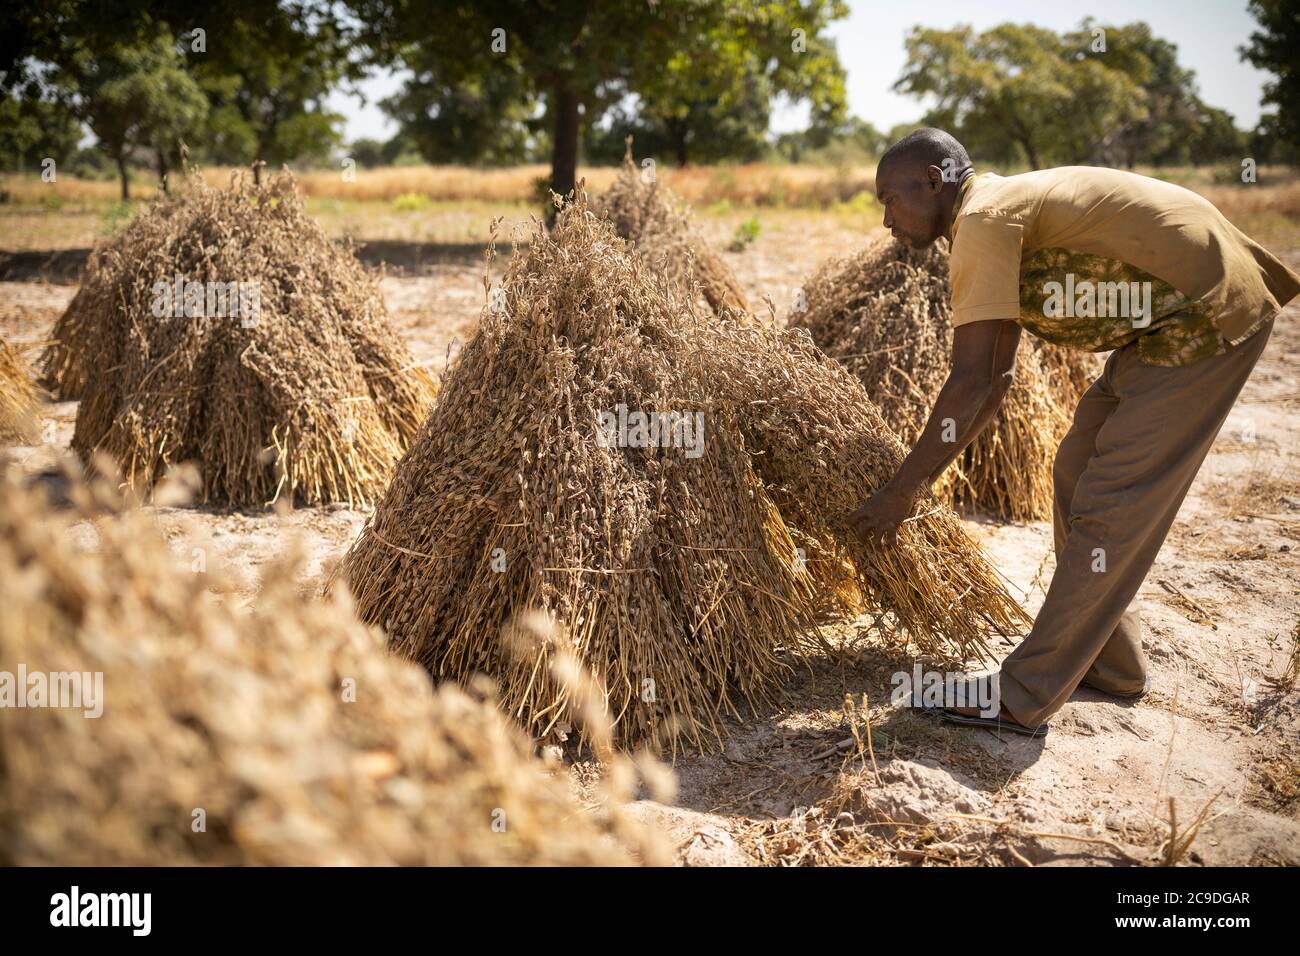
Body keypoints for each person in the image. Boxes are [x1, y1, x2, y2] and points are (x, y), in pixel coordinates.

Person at [849, 128, 1299, 736]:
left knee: (1112, 501)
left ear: (934, 180)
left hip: (1201, 315)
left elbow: (970, 379)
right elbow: (996, 377)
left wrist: (903, 489)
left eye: (889, 199)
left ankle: (1021, 694)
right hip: (1161, 325)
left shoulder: (982, 219)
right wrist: (919, 482)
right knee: (1077, 468)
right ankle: (1111, 665)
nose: (886, 219)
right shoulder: (988, 218)